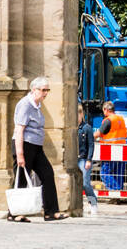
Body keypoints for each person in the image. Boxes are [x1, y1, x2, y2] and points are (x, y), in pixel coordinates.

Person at [11, 76, 67, 221]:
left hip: (36, 147)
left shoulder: (37, 105)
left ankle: (50, 211)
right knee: (22, 177)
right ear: (34, 90)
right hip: (25, 145)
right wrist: (20, 153)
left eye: (47, 90)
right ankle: (15, 213)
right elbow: (19, 129)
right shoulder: (25, 104)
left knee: (47, 174)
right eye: (43, 90)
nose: (46, 93)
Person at [77, 102, 98, 217]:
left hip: (83, 159)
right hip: (74, 158)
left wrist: (89, 159)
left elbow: (91, 145)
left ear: (81, 114)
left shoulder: (87, 128)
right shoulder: (72, 128)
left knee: (86, 183)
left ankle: (93, 203)